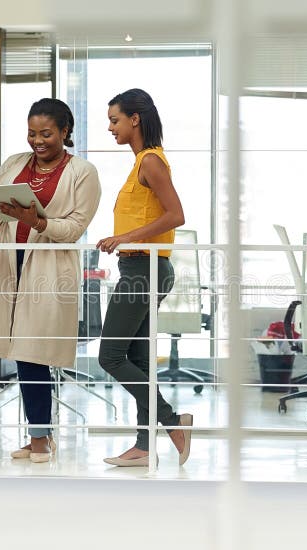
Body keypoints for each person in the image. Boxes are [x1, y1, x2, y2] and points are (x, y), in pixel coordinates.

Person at [0, 98, 101, 463]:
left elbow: (75, 228)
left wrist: (38, 222)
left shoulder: (83, 172)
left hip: (49, 269)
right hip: (10, 265)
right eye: (32, 133)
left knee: (33, 352)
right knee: (21, 352)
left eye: (46, 134)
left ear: (65, 131)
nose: (37, 141)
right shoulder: (14, 163)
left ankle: (41, 436)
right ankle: (38, 437)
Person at [96, 88, 192, 467]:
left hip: (144, 269)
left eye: (114, 120)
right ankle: (143, 445)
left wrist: (125, 237)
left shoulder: (151, 161)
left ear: (135, 119)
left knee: (110, 356)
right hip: (139, 268)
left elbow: (176, 215)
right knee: (137, 357)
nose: (110, 128)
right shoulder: (142, 162)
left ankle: (171, 421)